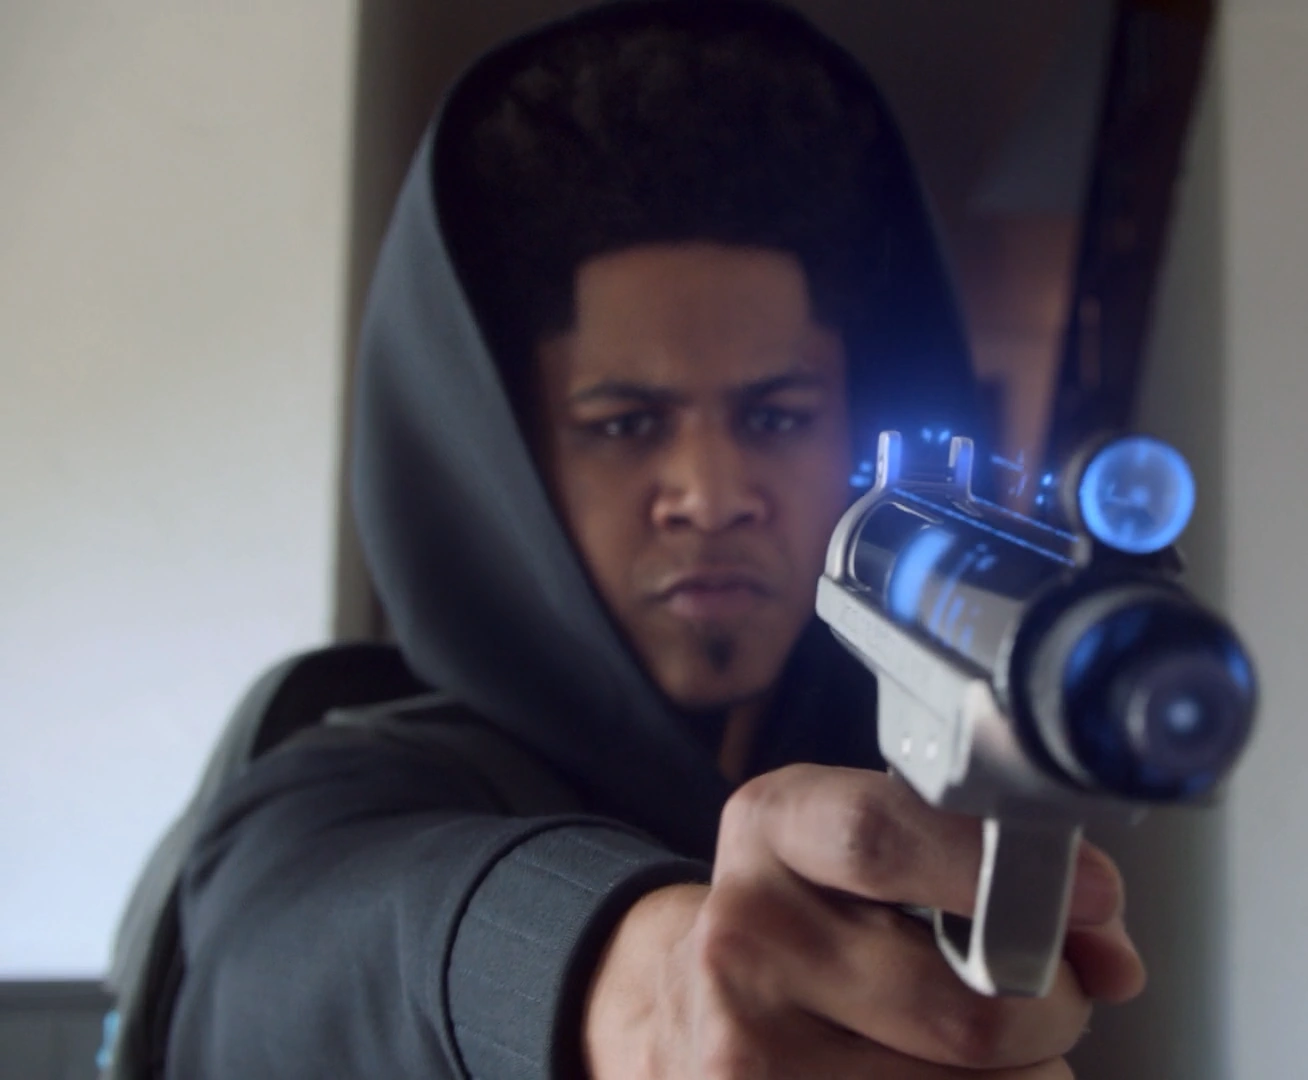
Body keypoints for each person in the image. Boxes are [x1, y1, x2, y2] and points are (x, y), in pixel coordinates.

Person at [164, 2, 1144, 1078]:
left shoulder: (914, 772)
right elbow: (299, 944)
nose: (712, 496)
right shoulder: (337, 785)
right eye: (626, 425)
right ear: (512, 462)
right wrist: (638, 988)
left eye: (777, 416)